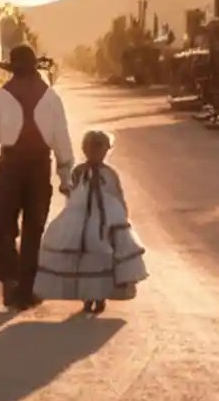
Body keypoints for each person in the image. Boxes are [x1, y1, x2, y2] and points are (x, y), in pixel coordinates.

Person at [0, 44, 74, 310]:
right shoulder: (51, 97)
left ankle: (10, 283)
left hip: (10, 166)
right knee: (34, 230)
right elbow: (61, 137)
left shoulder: (0, 96)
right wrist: (65, 174)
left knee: (4, 226)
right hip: (39, 167)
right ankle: (26, 289)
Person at [33, 130, 148, 313]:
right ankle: (88, 296)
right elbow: (72, 193)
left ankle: (100, 295)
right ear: (85, 150)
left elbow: (117, 194)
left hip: (105, 220)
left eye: (100, 149)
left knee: (101, 254)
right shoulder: (79, 172)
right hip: (82, 220)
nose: (96, 153)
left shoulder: (109, 173)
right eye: (92, 149)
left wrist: (122, 216)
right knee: (86, 256)